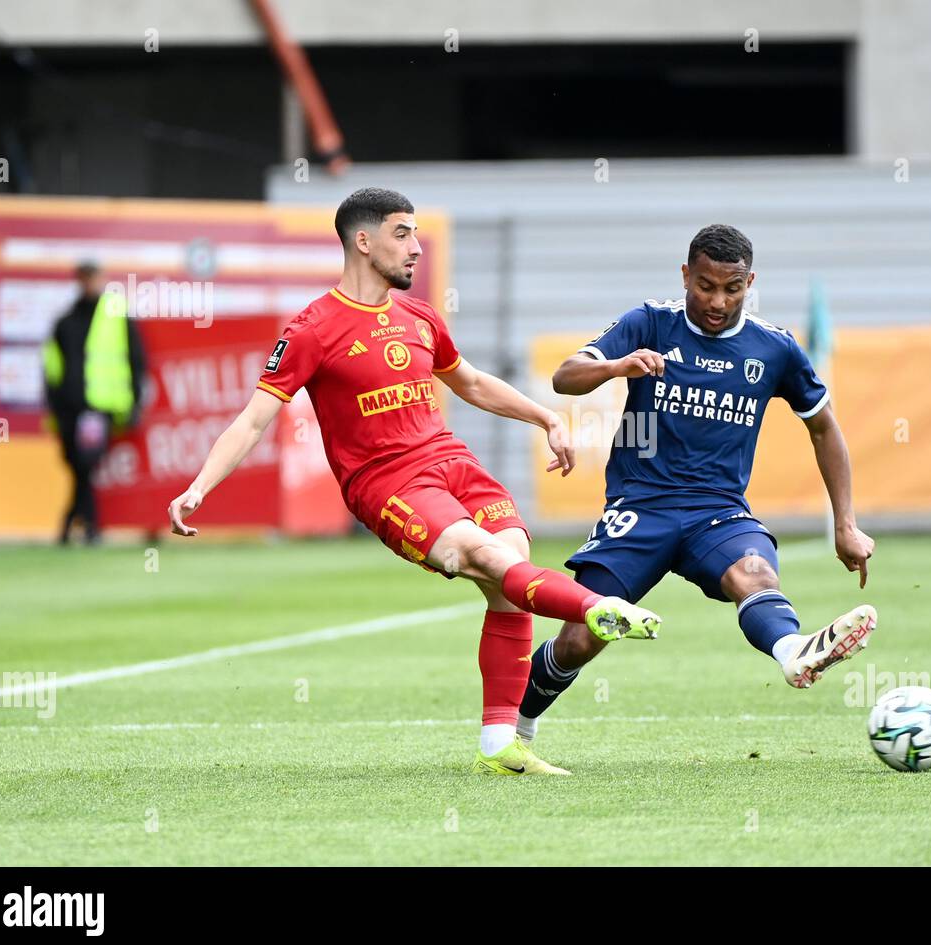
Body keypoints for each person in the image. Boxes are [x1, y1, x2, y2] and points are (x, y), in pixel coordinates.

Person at [166, 187, 661, 776]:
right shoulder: (311, 329)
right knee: (484, 556)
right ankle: (599, 608)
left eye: (417, 235)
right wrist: (199, 486)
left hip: (453, 463)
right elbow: (252, 420)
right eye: (403, 234)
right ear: (363, 240)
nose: (416, 248)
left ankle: (501, 744)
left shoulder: (420, 317)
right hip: (387, 484)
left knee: (510, 572)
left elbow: (472, 384)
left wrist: (547, 416)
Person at [516, 224, 877, 757]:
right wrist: (618, 366)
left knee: (754, 574)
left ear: (750, 282)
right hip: (641, 506)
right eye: (706, 285)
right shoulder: (651, 324)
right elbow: (565, 377)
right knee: (582, 636)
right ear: (686, 275)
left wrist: (845, 524)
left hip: (719, 513)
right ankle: (517, 726)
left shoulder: (773, 348)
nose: (717, 301)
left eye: (732, 289)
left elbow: (823, 426)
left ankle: (793, 650)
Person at [43, 262, 146, 545]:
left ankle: (85, 527)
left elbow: (136, 360)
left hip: (97, 408)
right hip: (69, 410)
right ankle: (76, 527)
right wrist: (54, 406)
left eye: (93, 278)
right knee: (76, 466)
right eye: (84, 278)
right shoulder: (65, 321)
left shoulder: (116, 316)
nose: (88, 284)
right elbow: (52, 368)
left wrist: (135, 402)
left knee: (85, 465)